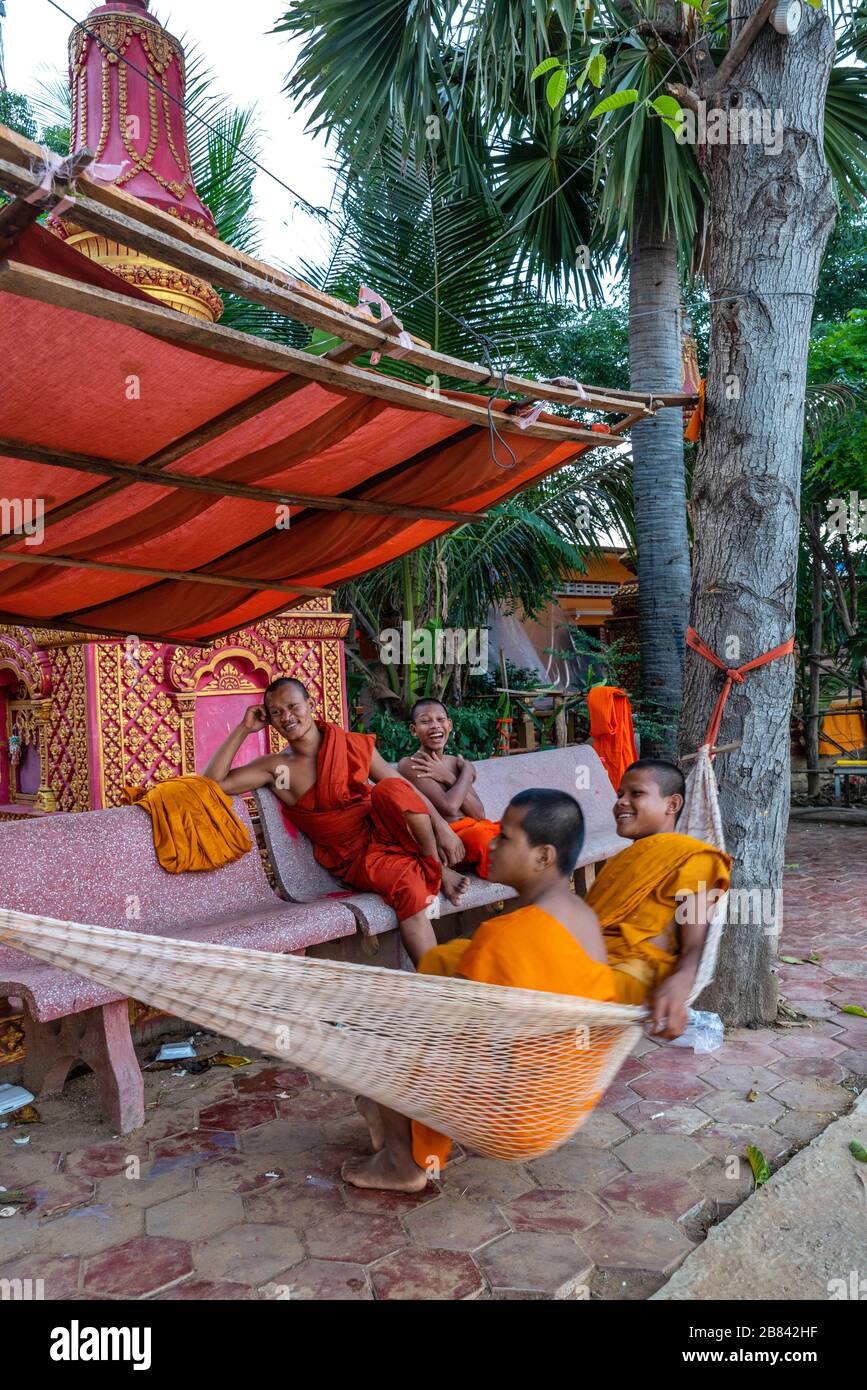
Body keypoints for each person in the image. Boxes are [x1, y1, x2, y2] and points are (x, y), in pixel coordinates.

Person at [342, 787, 617, 1193]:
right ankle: (389, 1118)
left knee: (384, 1030)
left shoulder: (504, 937)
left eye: (505, 837)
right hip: (564, 1105)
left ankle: (403, 1164)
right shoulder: (583, 917)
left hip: (512, 1122)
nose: (491, 843)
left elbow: (444, 1031)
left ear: (543, 857)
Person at [202, 678, 471, 964]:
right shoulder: (277, 768)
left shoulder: (348, 744)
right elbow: (213, 782)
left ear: (311, 704)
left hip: (388, 831)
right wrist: (244, 728)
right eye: (277, 712)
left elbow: (404, 789)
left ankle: (436, 868)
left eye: (293, 706)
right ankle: (439, 989)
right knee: (410, 890)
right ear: (268, 720)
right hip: (355, 856)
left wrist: (442, 828)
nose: (287, 717)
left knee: (391, 789)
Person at [586, 758, 732, 1039]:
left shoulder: (693, 856)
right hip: (590, 962)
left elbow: (695, 942)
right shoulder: (623, 859)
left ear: (672, 805)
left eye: (636, 793)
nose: (621, 802)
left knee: (496, 967)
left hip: (628, 975)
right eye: (619, 795)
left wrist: (682, 979)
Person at [397, 698, 500, 879]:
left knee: (519, 834)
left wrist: (449, 777)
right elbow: (449, 807)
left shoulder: (454, 763)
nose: (435, 726)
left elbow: (479, 814)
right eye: (425, 721)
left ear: (450, 725)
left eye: (440, 719)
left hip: (474, 828)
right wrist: (467, 772)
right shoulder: (411, 764)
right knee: (485, 841)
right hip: (450, 841)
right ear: (414, 730)